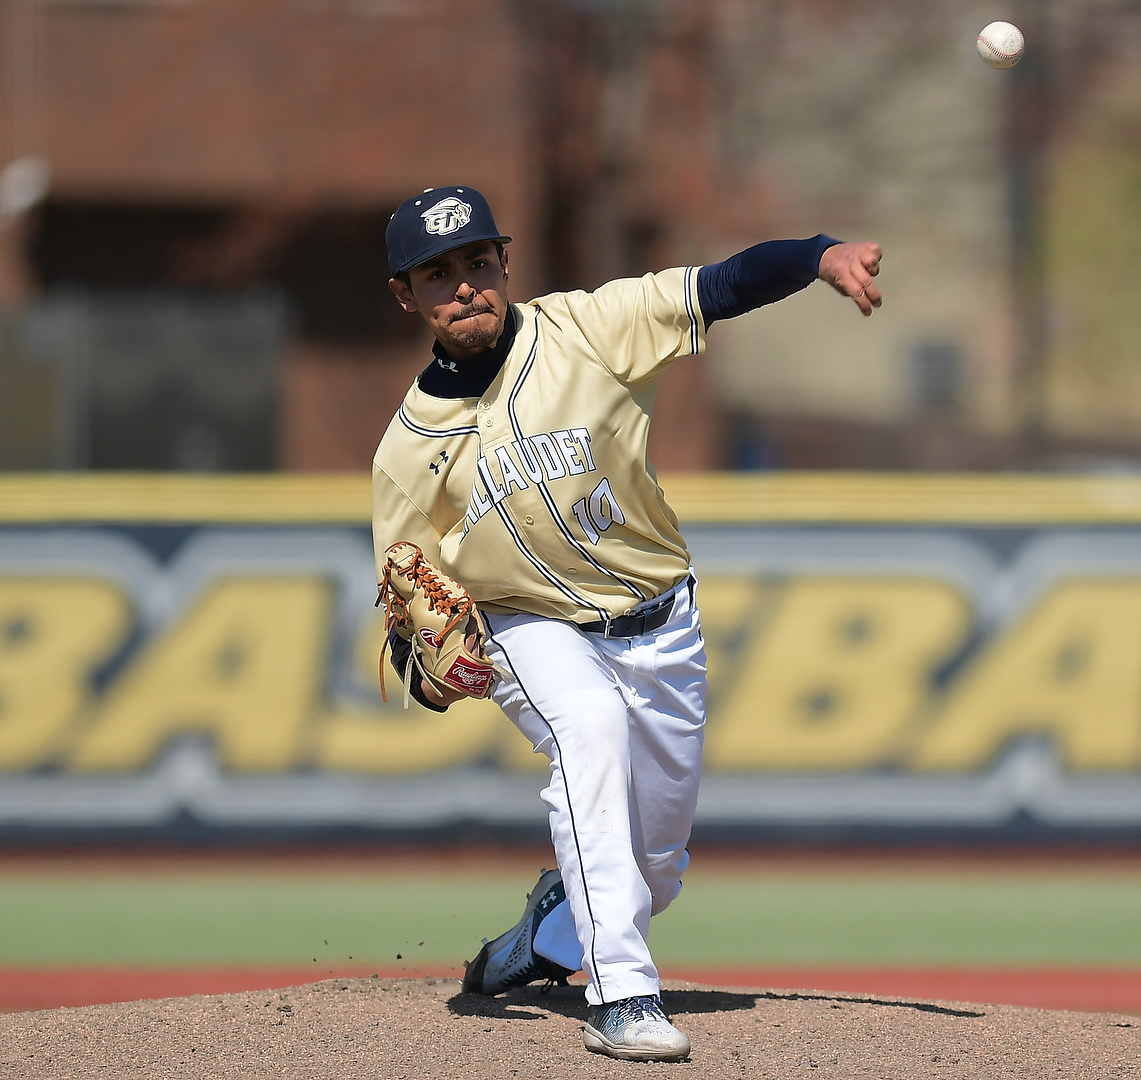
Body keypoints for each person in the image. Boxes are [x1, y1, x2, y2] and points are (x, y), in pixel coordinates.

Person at [370, 186, 882, 1062]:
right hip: (532, 627)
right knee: (591, 731)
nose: (465, 286)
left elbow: (718, 286)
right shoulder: (407, 449)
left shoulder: (586, 329)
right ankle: (622, 997)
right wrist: (428, 673)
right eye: (438, 273)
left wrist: (818, 254)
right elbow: (407, 601)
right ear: (405, 296)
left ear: (506, 264)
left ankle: (543, 938)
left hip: (663, 622)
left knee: (655, 874)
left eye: (478, 262)